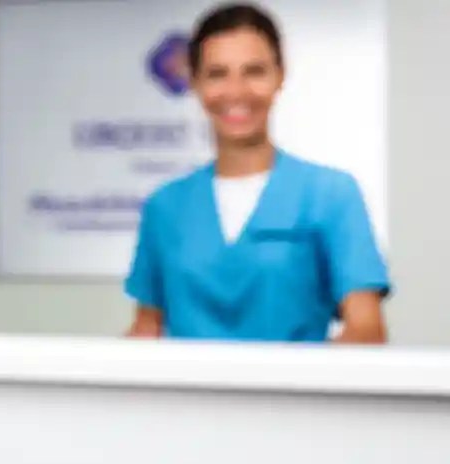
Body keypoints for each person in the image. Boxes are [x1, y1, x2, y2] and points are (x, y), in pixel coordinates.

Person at [124, 3, 391, 343]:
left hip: (295, 395)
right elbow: (147, 331)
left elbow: (366, 330)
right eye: (217, 74)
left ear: (280, 75)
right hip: (189, 397)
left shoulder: (330, 194)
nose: (236, 91)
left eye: (254, 71)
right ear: (195, 82)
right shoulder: (165, 207)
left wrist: (300, 386)